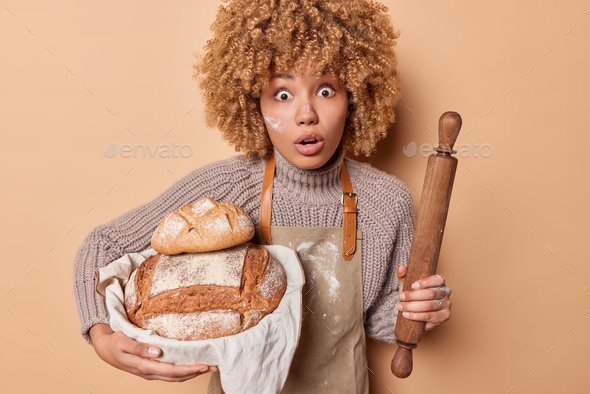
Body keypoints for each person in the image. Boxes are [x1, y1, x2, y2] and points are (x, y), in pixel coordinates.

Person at [74, 0, 452, 390]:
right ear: (253, 104)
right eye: (282, 95)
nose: (306, 114)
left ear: (354, 98)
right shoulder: (226, 190)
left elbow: (377, 318)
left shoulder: (388, 202)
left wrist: (419, 310)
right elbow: (104, 244)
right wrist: (102, 336)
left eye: (325, 89)